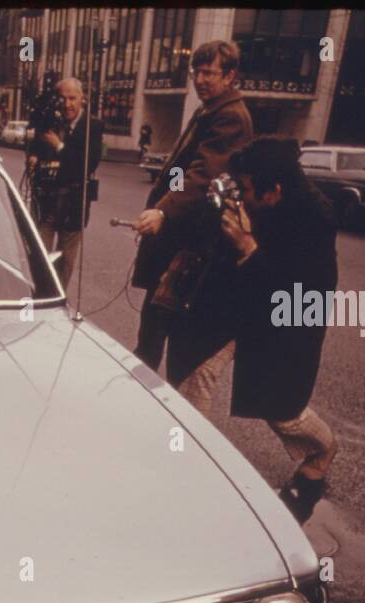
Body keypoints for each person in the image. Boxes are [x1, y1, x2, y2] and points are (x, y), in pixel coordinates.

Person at [206, 136, 339, 524]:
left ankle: (323, 451)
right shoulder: (271, 199)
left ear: (274, 191)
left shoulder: (316, 221)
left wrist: (248, 246)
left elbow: (291, 294)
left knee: (283, 411)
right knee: (203, 370)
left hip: (292, 322)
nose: (243, 197)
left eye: (246, 190)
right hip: (250, 312)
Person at [131, 40, 253, 380]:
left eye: (208, 72)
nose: (200, 79)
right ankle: (147, 402)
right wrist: (160, 199)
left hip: (192, 249)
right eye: (196, 71)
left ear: (229, 76)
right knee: (153, 333)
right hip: (178, 244)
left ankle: (166, 412)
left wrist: (165, 212)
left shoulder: (230, 116)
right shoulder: (208, 109)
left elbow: (203, 175)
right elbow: (179, 170)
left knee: (171, 340)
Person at [25, 77, 104, 291]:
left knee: (65, 262)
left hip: (73, 205)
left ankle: (56, 300)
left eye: (72, 98)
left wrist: (59, 146)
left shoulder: (93, 126)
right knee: (39, 254)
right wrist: (33, 156)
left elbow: (85, 165)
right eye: (63, 98)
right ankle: (38, 293)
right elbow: (34, 145)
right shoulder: (52, 121)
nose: (67, 104)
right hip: (47, 203)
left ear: (82, 99)